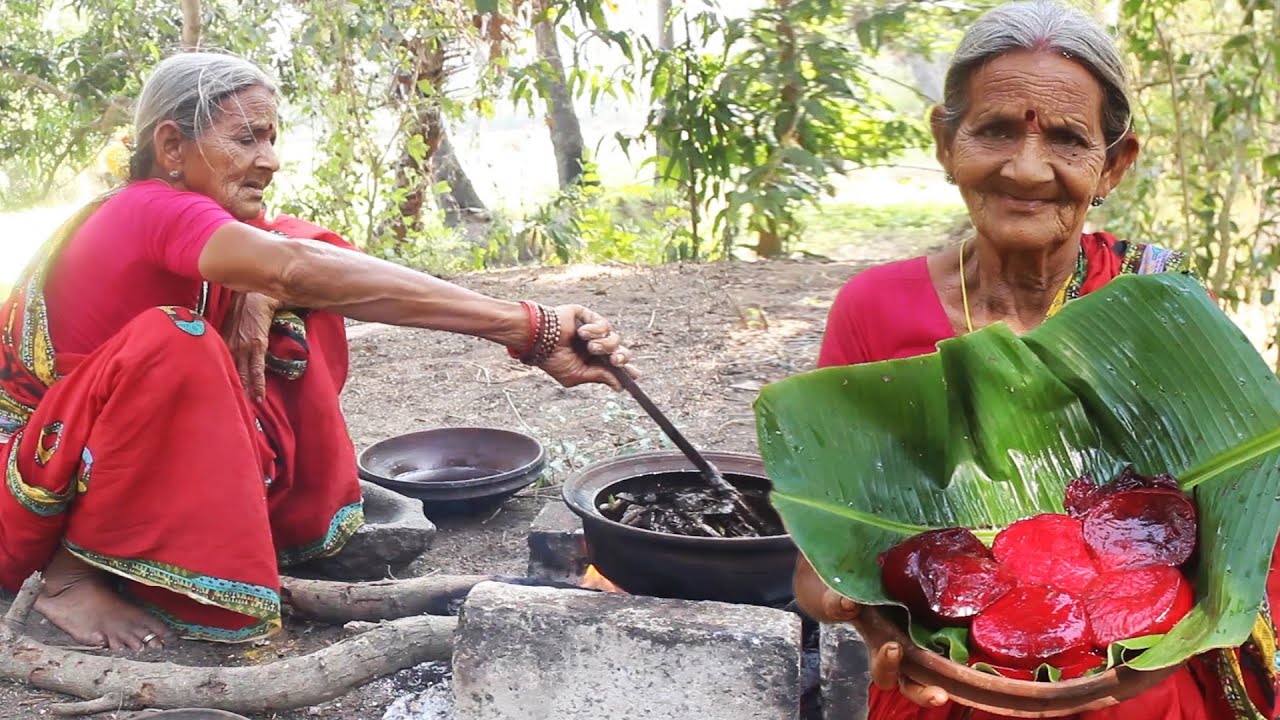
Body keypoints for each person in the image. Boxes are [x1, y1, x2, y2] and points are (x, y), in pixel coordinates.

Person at [0, 51, 633, 652]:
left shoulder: (206, 215)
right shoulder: (146, 211)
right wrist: (526, 326)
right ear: (171, 147)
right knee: (176, 342)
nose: (270, 160)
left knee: (293, 314)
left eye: (271, 138)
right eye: (246, 139)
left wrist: (261, 292)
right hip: (28, 489)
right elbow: (296, 265)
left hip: (99, 453)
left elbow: (303, 249)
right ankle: (68, 578)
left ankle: (216, 532)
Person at [794, 2, 1280, 719]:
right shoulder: (875, 311)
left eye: (1067, 139)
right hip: (943, 692)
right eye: (993, 129)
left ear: (1115, 164)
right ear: (945, 140)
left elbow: (1245, 527)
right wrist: (866, 614)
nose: (1025, 169)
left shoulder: (1161, 311)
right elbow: (814, 565)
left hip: (1135, 698)